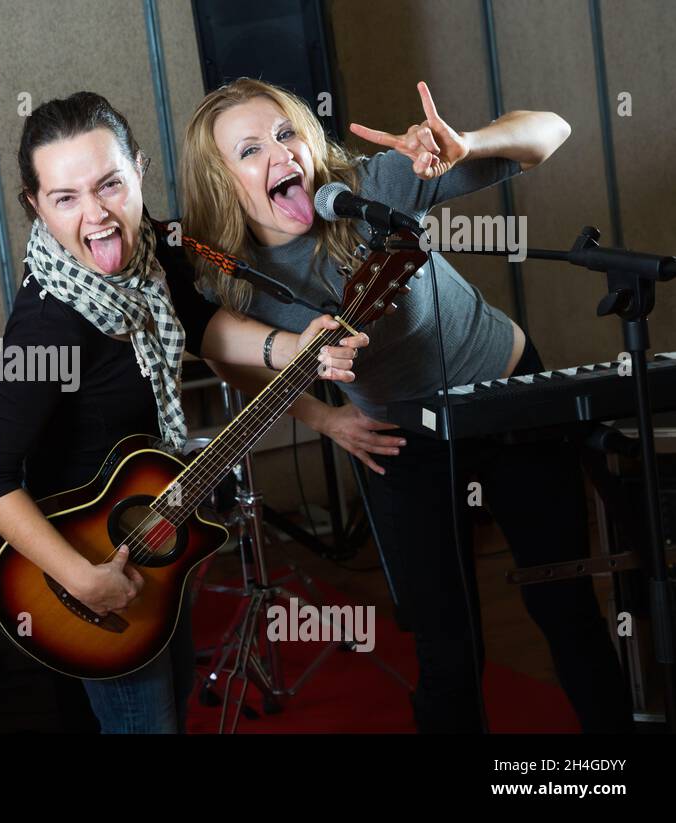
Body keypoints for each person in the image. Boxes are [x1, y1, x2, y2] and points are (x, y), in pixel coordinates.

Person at [181, 76, 632, 732]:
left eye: (286, 135)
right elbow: (227, 356)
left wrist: (466, 143)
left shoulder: (370, 189)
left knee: (564, 608)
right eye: (249, 150)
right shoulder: (227, 274)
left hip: (507, 397)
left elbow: (550, 131)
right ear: (221, 181)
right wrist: (326, 418)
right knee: (446, 647)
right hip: (400, 437)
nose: (279, 156)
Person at [0, 91, 368, 733]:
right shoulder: (47, 326)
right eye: (65, 198)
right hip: (83, 577)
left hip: (151, 531)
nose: (96, 216)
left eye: (110, 185)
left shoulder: (155, 249)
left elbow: (199, 322)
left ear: (140, 171)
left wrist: (295, 347)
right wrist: (83, 577)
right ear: (34, 206)